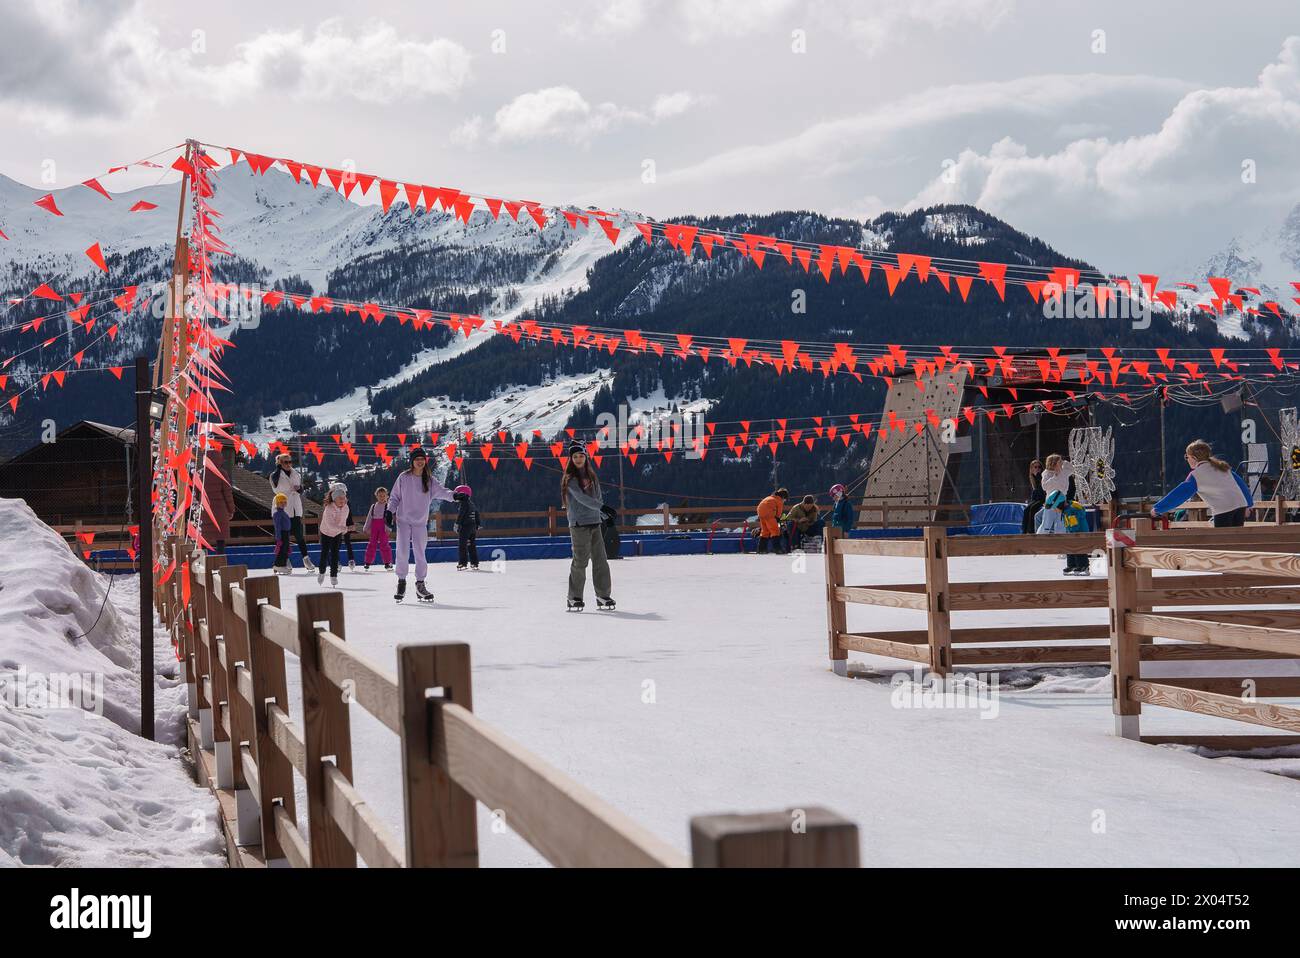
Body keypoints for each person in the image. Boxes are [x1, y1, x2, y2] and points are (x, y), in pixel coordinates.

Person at [389, 447, 454, 603]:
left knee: (420, 553)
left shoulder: (429, 481)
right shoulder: (403, 477)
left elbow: (443, 492)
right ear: (412, 462)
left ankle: (420, 585)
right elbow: (394, 497)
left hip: (420, 522)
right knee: (402, 552)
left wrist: (455, 496)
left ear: (425, 461)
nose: (420, 462)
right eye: (417, 459)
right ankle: (401, 582)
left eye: (422, 459)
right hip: (403, 521)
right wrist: (389, 511)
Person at [1153, 439, 1253, 528]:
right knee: (1235, 540)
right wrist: (1248, 505)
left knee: (1223, 542)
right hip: (1240, 506)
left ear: (1193, 458)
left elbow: (1179, 494)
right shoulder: (1222, 467)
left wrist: (1158, 509)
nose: (1187, 460)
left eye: (1187, 457)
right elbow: (1241, 485)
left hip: (1224, 509)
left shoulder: (1196, 475)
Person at [562, 443, 614, 611]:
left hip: (595, 522)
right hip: (578, 525)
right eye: (575, 457)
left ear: (586, 457)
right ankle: (574, 597)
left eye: (581, 456)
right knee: (581, 561)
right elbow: (581, 498)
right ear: (571, 459)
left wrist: (605, 517)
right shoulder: (570, 479)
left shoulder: (592, 477)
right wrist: (601, 508)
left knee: (601, 560)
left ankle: (603, 595)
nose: (578, 459)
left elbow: (598, 499)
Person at [269, 452, 315, 571]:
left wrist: (299, 489)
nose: (289, 464)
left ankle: (306, 559)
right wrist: (279, 472)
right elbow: (276, 489)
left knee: (299, 535)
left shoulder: (296, 473)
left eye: (290, 462)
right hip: (282, 508)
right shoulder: (275, 475)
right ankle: (284, 561)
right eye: (285, 462)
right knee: (284, 537)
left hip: (295, 507)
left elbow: (300, 487)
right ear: (280, 463)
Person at [1037, 490, 1091, 575]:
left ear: (1060, 504)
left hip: (1080, 534)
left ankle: (1083, 566)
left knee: (1079, 550)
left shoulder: (1070, 511)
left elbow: (1075, 526)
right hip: (1073, 534)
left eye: (1055, 508)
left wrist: (1070, 534)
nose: (1055, 510)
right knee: (1069, 548)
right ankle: (1072, 565)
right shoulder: (1067, 509)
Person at [201, 445, 236, 554]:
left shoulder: (201, 473)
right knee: (220, 539)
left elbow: (197, 495)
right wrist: (231, 510)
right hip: (220, 511)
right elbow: (228, 494)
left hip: (205, 510)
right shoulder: (222, 473)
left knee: (204, 538)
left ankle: (203, 564)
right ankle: (220, 562)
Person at [317, 483, 349, 587]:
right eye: (340, 498)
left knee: (335, 554)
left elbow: (343, 521)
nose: (342, 500)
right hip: (326, 532)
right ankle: (321, 572)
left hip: (337, 533)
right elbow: (330, 525)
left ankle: (333, 576)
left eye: (343, 498)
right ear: (334, 499)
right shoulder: (329, 509)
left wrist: (343, 530)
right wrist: (344, 529)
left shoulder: (346, 508)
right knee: (324, 553)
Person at [362, 486, 393, 570]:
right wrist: (366, 528)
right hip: (374, 526)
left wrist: (389, 529)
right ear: (377, 496)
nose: (382, 497)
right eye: (380, 496)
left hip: (384, 527)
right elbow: (369, 517)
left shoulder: (388, 506)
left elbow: (389, 519)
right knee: (372, 544)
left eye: (383, 496)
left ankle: (387, 563)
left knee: (384, 544)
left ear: (387, 496)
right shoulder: (373, 506)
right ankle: (367, 562)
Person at [453, 484, 481, 571]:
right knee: (471, 545)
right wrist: (478, 524)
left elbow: (461, 514)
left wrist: (457, 524)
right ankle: (474, 563)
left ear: (462, 494)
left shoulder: (464, 503)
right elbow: (477, 514)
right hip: (472, 527)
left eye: (457, 494)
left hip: (465, 527)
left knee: (462, 545)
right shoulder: (471, 503)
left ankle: (462, 563)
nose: (456, 497)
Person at [756, 488, 788, 554]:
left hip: (760, 512)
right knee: (775, 531)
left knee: (765, 531)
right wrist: (777, 520)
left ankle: (761, 549)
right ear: (783, 497)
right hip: (769, 513)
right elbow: (779, 513)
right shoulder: (779, 500)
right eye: (785, 499)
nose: (784, 501)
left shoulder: (770, 497)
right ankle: (778, 549)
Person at [1022, 459, 1046, 534]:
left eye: (1039, 467)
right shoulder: (1033, 478)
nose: (1038, 469)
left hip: (1043, 498)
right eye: (1035, 467)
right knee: (1027, 510)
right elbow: (1035, 492)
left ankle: (1032, 531)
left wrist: (1038, 475)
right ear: (1031, 469)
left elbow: (1042, 490)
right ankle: (1024, 532)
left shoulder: (1042, 476)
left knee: (1032, 509)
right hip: (1037, 498)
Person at [272, 493, 292, 574]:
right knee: (282, 551)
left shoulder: (283, 513)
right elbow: (277, 526)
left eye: (284, 502)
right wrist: (278, 538)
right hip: (282, 534)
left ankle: (283, 564)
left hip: (286, 534)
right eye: (281, 502)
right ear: (277, 503)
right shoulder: (277, 514)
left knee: (285, 550)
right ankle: (278, 565)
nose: (283, 504)